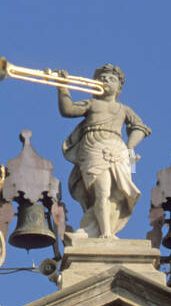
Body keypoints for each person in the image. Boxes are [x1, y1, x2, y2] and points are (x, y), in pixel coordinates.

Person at [56, 64, 150, 239]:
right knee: (102, 192)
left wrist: (130, 146)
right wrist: (63, 88)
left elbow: (140, 128)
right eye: (102, 78)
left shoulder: (123, 109)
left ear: (119, 88)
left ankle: (97, 229)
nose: (106, 80)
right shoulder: (92, 104)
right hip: (94, 147)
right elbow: (67, 110)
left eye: (111, 79)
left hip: (118, 149)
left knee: (118, 194)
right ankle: (105, 233)